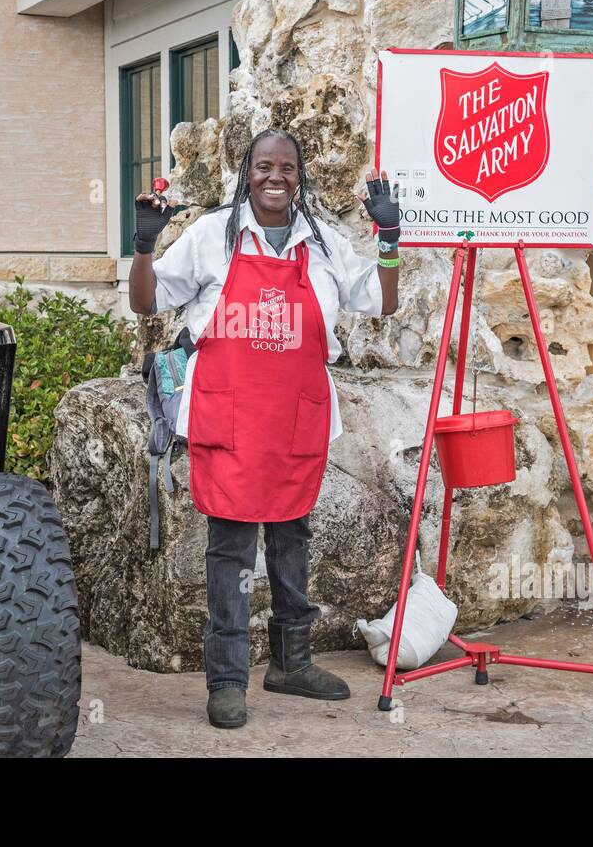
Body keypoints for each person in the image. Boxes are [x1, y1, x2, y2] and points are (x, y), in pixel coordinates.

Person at [128, 128, 402, 729]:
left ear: (300, 174)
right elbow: (146, 303)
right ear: (245, 172)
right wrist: (145, 246)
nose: (275, 177)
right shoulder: (209, 238)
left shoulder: (324, 243)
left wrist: (388, 238)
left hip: (297, 417)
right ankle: (226, 680)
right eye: (263, 166)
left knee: (291, 540)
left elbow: (381, 303)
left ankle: (290, 663)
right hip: (229, 416)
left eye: (286, 167)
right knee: (230, 550)